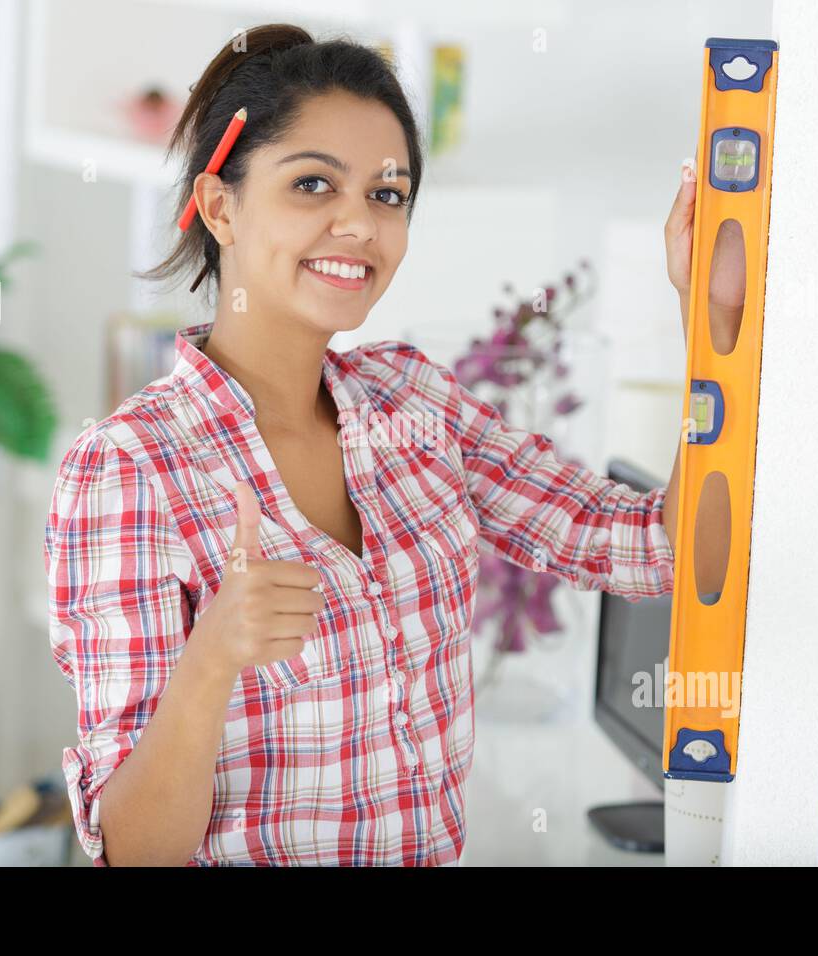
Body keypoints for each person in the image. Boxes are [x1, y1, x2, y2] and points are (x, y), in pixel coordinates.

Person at [43, 23, 738, 866]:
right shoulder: (129, 470)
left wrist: (714, 322)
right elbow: (133, 852)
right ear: (220, 204)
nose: (360, 225)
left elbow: (657, 552)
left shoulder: (413, 405)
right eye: (312, 185)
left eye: (388, 194)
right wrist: (212, 658)